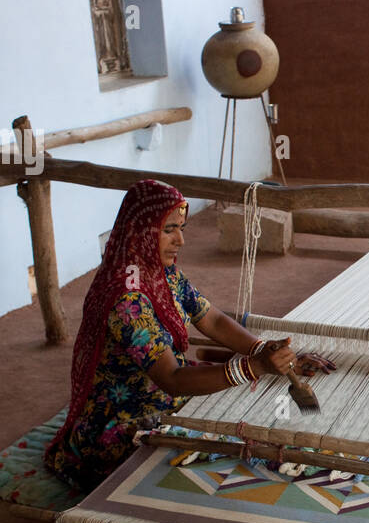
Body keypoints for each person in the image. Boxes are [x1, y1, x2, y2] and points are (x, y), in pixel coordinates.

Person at [45, 179, 333, 492]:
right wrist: (256, 367)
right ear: (140, 231)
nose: (180, 240)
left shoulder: (163, 273)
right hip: (125, 418)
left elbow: (211, 319)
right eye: (169, 229)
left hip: (164, 396)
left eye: (182, 228)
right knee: (234, 454)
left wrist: (263, 350)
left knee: (250, 419)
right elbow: (172, 378)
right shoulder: (126, 299)